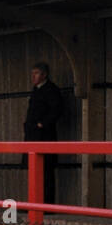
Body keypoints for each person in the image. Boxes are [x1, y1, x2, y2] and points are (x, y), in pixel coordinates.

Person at [23, 62, 64, 205]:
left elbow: (57, 110)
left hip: (44, 136)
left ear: (44, 74)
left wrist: (43, 124)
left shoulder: (51, 90)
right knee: (34, 172)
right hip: (32, 137)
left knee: (46, 171)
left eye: (36, 73)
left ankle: (46, 205)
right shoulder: (36, 91)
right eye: (32, 73)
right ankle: (34, 204)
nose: (33, 77)